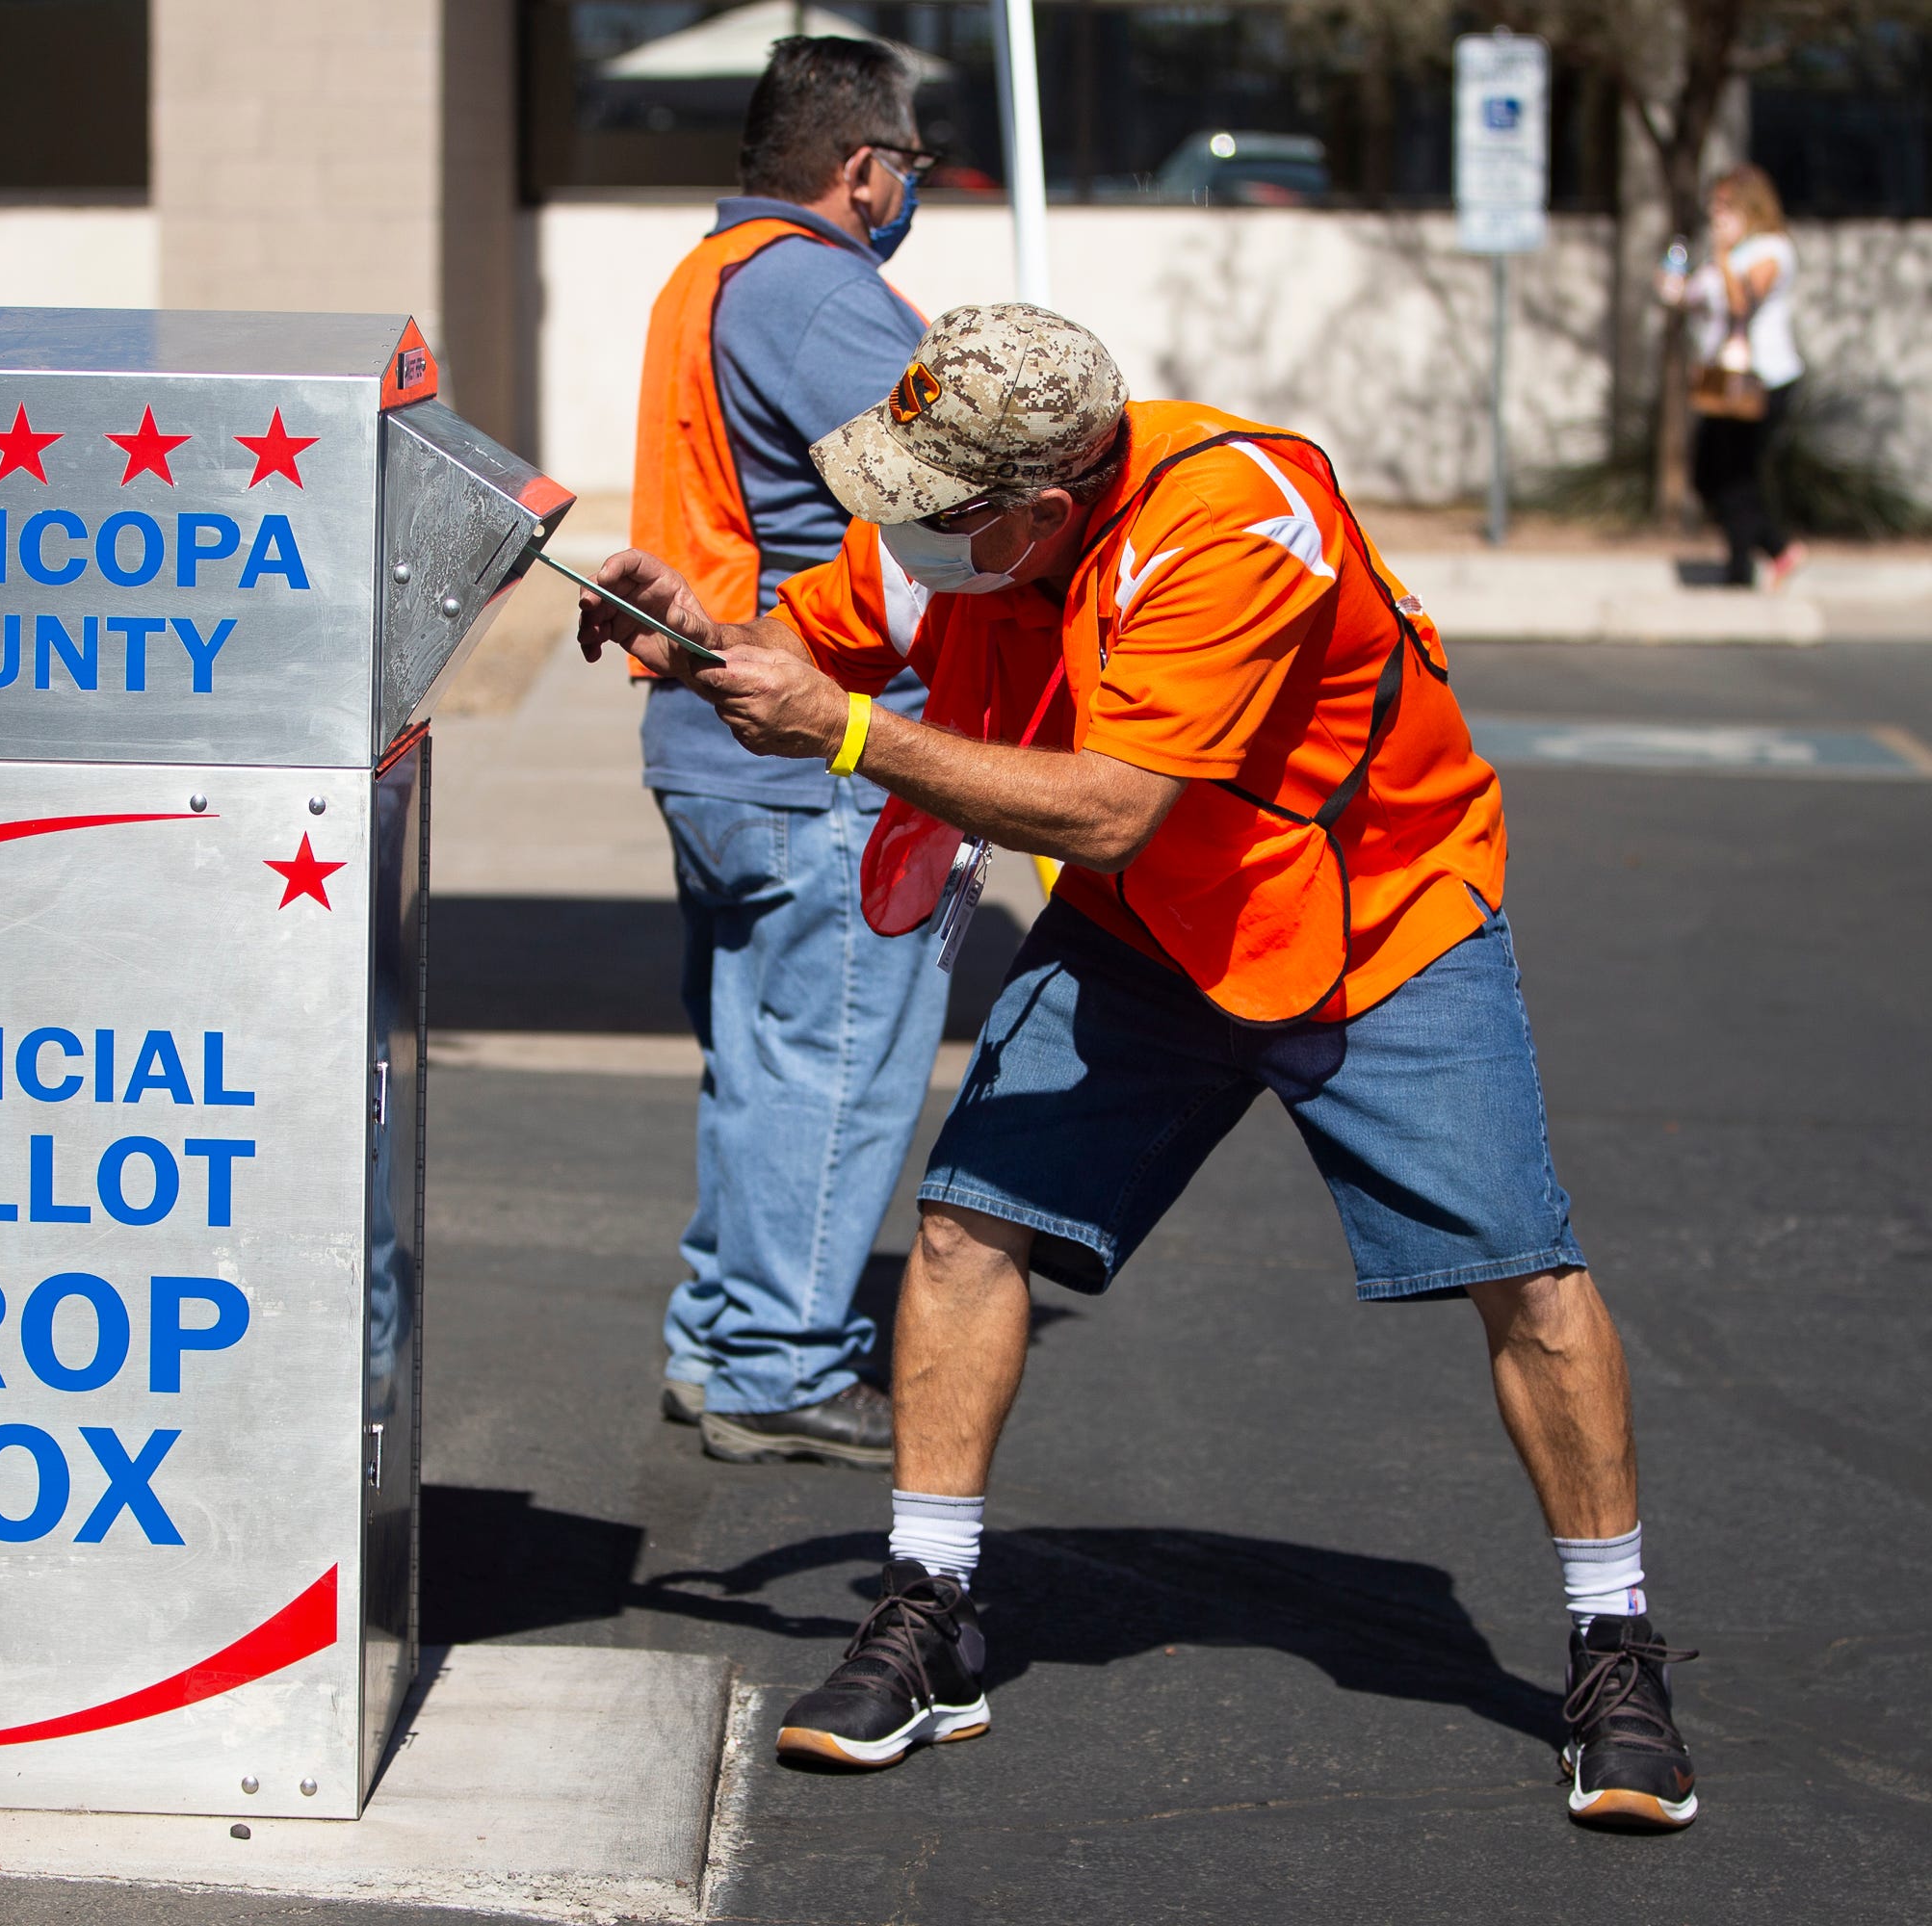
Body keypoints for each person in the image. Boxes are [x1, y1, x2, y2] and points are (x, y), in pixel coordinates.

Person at [577, 303, 1704, 1833]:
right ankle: (930, 1615)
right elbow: (809, 645)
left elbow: (1108, 811)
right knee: (967, 1228)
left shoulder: (1232, 519)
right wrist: (696, 633)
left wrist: (845, 736)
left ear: (1044, 511)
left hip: (1372, 917)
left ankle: (1614, 1648)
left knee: (1522, 1268)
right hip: (1149, 930)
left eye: (933, 509)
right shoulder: (954, 532)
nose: (898, 531)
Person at [630, 37, 950, 1471]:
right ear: (863, 169)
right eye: (912, 165)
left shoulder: (710, 274)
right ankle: (778, 1364)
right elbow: (954, 486)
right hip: (820, 740)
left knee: (760, 1066)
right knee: (832, 1067)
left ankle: (723, 1336)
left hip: (716, 730)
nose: (910, 190)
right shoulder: (819, 292)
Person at [1664, 164, 1808, 590]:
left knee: (1737, 474)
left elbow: (1742, 302)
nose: (1716, 212)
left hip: (1762, 378)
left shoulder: (1771, 250)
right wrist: (1676, 290)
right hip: (1719, 375)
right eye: (1715, 204)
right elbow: (1699, 300)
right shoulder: (1727, 252)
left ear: (1751, 205)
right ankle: (1774, 550)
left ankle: (1742, 569)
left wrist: (1724, 255)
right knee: (1707, 474)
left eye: (1725, 204)